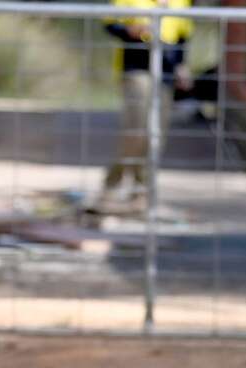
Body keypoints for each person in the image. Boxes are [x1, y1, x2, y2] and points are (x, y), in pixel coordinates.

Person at [96, 0, 192, 213]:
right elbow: (110, 23)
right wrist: (130, 30)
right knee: (137, 129)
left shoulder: (182, 2)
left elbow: (183, 35)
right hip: (136, 67)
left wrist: (182, 65)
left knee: (157, 133)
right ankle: (112, 185)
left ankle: (142, 193)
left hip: (166, 71)